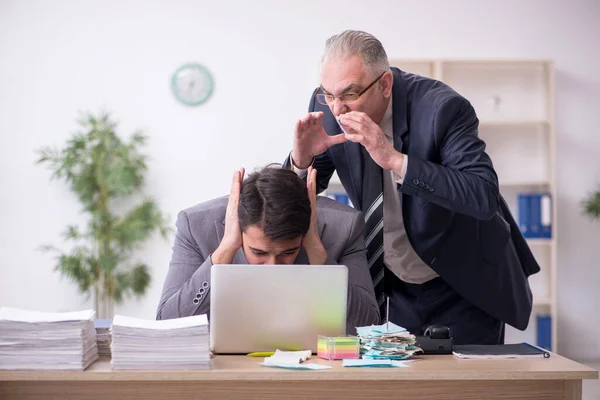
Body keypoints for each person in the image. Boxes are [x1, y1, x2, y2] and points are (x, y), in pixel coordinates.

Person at [284, 30, 540, 345]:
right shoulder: (327, 106)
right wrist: (300, 159)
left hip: (462, 282)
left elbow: (482, 194)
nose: (337, 110)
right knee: (401, 386)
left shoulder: (442, 109)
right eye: (329, 94)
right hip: (394, 286)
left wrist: (394, 160)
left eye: (349, 94)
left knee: (465, 390)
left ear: (385, 85)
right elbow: (297, 197)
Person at [156, 165, 380, 334]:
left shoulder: (344, 227)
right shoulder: (196, 226)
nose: (272, 267)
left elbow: (369, 326)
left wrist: (320, 259)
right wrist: (224, 252)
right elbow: (167, 325)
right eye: (259, 253)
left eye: (287, 252)